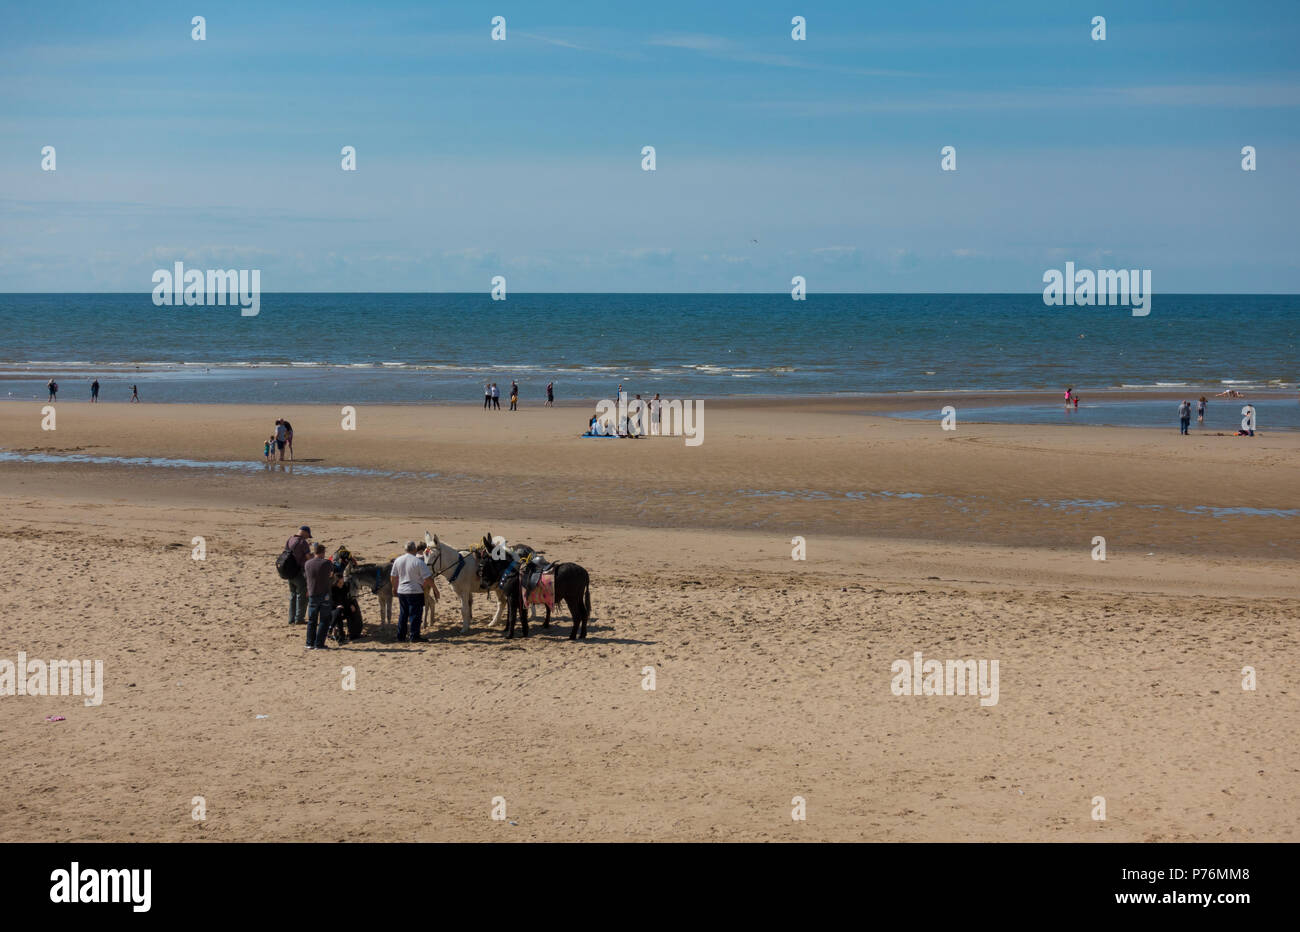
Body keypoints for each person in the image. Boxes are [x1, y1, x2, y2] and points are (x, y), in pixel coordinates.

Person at [391, 541, 436, 642]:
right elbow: (428, 578)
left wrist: (394, 588)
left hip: (402, 591)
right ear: (414, 550)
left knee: (403, 614)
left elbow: (393, 577)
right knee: (415, 615)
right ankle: (414, 636)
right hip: (415, 591)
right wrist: (435, 589)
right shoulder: (418, 562)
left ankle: (401, 636)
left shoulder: (398, 560)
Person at [303, 543, 335, 650]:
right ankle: (319, 643)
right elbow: (331, 575)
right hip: (324, 594)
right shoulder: (326, 563)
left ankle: (309, 643)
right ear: (322, 552)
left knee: (312, 620)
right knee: (324, 620)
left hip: (312, 593)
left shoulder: (307, 563)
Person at [284, 526, 313, 625]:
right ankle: (299, 619)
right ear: (305, 533)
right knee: (302, 596)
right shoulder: (303, 542)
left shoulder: (290, 539)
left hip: (289, 572)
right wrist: (314, 555)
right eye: (308, 536)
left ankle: (291, 618)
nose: (307, 538)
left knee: (293, 595)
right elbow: (308, 558)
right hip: (299, 572)